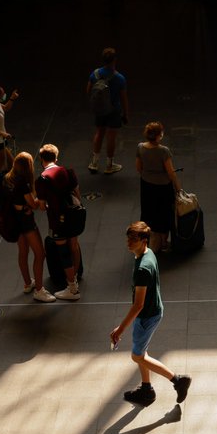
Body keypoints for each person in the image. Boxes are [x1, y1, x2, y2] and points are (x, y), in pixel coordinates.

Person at [109, 221, 192, 407]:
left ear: (144, 240)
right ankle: (147, 390)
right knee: (141, 351)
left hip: (146, 316)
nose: (129, 242)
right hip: (152, 311)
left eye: (133, 239)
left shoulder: (142, 269)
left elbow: (138, 305)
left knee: (137, 356)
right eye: (128, 239)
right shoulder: (148, 253)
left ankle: (178, 381)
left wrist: (120, 329)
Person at [1, 152, 56, 303]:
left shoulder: (7, 179)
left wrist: (24, 205)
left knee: (23, 252)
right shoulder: (22, 182)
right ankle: (39, 290)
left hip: (14, 220)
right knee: (40, 254)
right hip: (26, 222)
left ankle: (27, 283)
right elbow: (34, 204)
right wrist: (41, 196)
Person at [34, 144, 81, 301]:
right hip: (74, 215)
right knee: (74, 246)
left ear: (41, 159)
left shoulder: (42, 180)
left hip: (57, 219)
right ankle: (74, 278)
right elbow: (77, 194)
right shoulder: (69, 172)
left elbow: (42, 207)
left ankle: (72, 289)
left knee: (64, 251)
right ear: (56, 157)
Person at [136, 122, 181, 251]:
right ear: (158, 136)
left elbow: (138, 167)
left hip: (147, 185)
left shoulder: (140, 147)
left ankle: (149, 239)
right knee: (165, 213)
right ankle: (163, 242)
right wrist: (178, 188)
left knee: (148, 211)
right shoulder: (163, 151)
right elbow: (170, 172)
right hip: (163, 187)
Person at [86, 47, 129, 175]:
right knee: (111, 137)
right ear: (115, 60)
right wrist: (125, 114)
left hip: (100, 109)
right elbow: (124, 99)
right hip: (114, 111)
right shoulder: (120, 78)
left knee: (99, 133)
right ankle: (109, 165)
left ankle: (94, 163)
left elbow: (88, 91)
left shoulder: (95, 74)